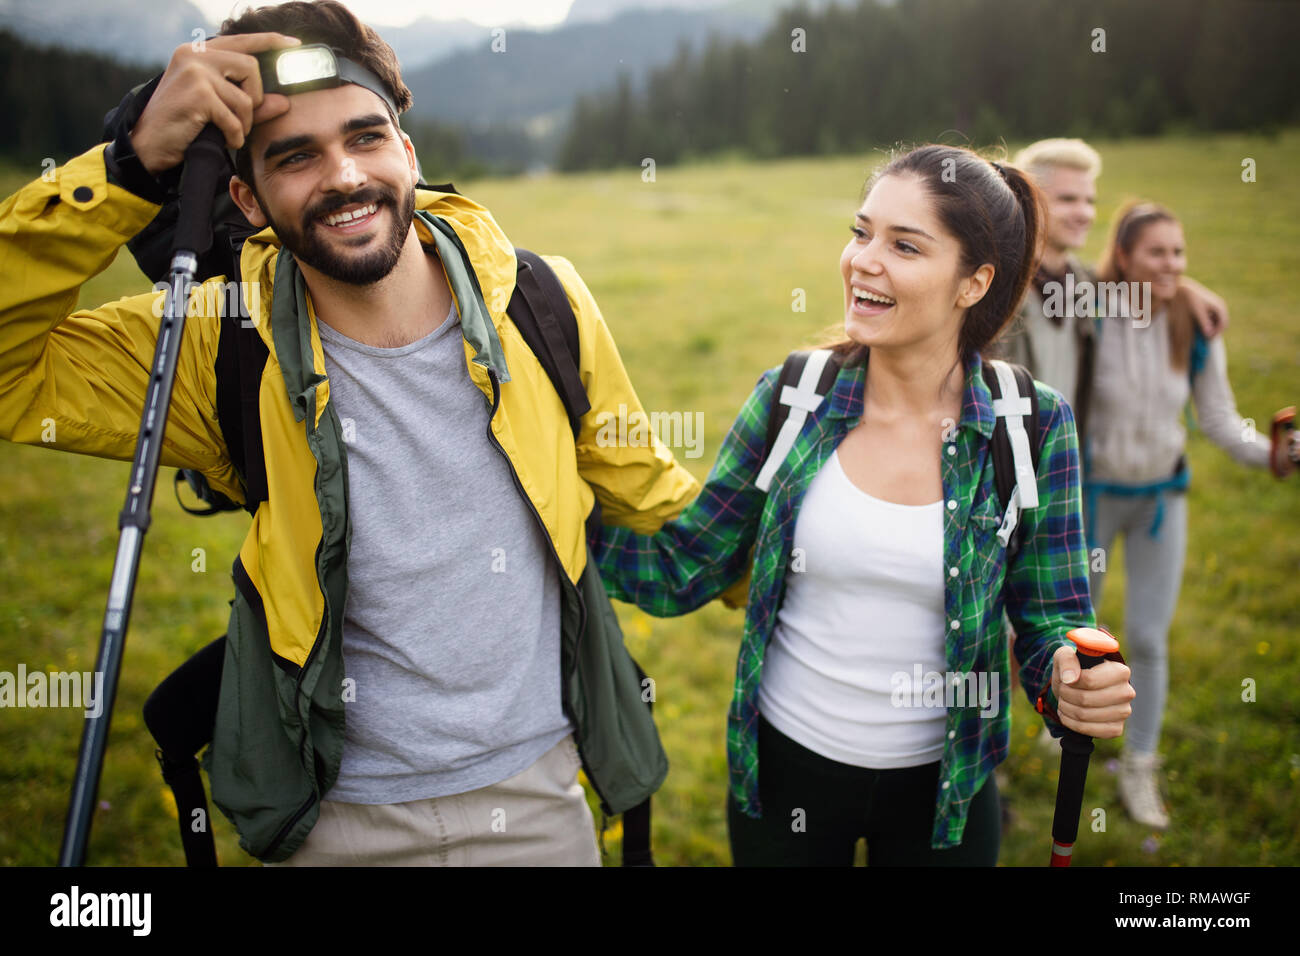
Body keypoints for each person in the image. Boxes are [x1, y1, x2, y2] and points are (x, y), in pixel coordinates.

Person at [0, 1, 700, 866]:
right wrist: (129, 167)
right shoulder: (215, 341)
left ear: (407, 152)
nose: (342, 176)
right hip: (335, 820)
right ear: (248, 199)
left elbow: (646, 491)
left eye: (366, 137)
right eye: (295, 157)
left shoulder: (541, 300)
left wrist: (806, 550)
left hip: (537, 800)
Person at [591, 145, 1136, 866]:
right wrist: (551, 524)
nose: (862, 261)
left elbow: (1049, 619)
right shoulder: (793, 396)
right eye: (861, 232)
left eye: (904, 245)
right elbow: (686, 566)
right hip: (785, 775)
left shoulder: (1031, 424)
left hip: (948, 792)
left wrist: (1067, 674)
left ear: (974, 283)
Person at [1084, 199, 1295, 829]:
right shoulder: (1088, 310)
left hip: (1160, 502)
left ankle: (1141, 766)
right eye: (1157, 253)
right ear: (1123, 257)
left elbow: (1223, 423)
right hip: (1090, 500)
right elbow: (1053, 281)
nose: (1172, 264)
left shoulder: (1195, 327)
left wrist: (1279, 456)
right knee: (1080, 629)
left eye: (1180, 253)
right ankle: (1066, 734)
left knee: (1147, 637)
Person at [991, 137, 1230, 444]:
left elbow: (1131, 280)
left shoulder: (1084, 282)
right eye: (1067, 199)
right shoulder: (998, 283)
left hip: (1059, 461)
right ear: (1027, 199)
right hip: (1006, 457)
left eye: (1089, 201)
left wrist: (1185, 288)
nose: (1084, 213)